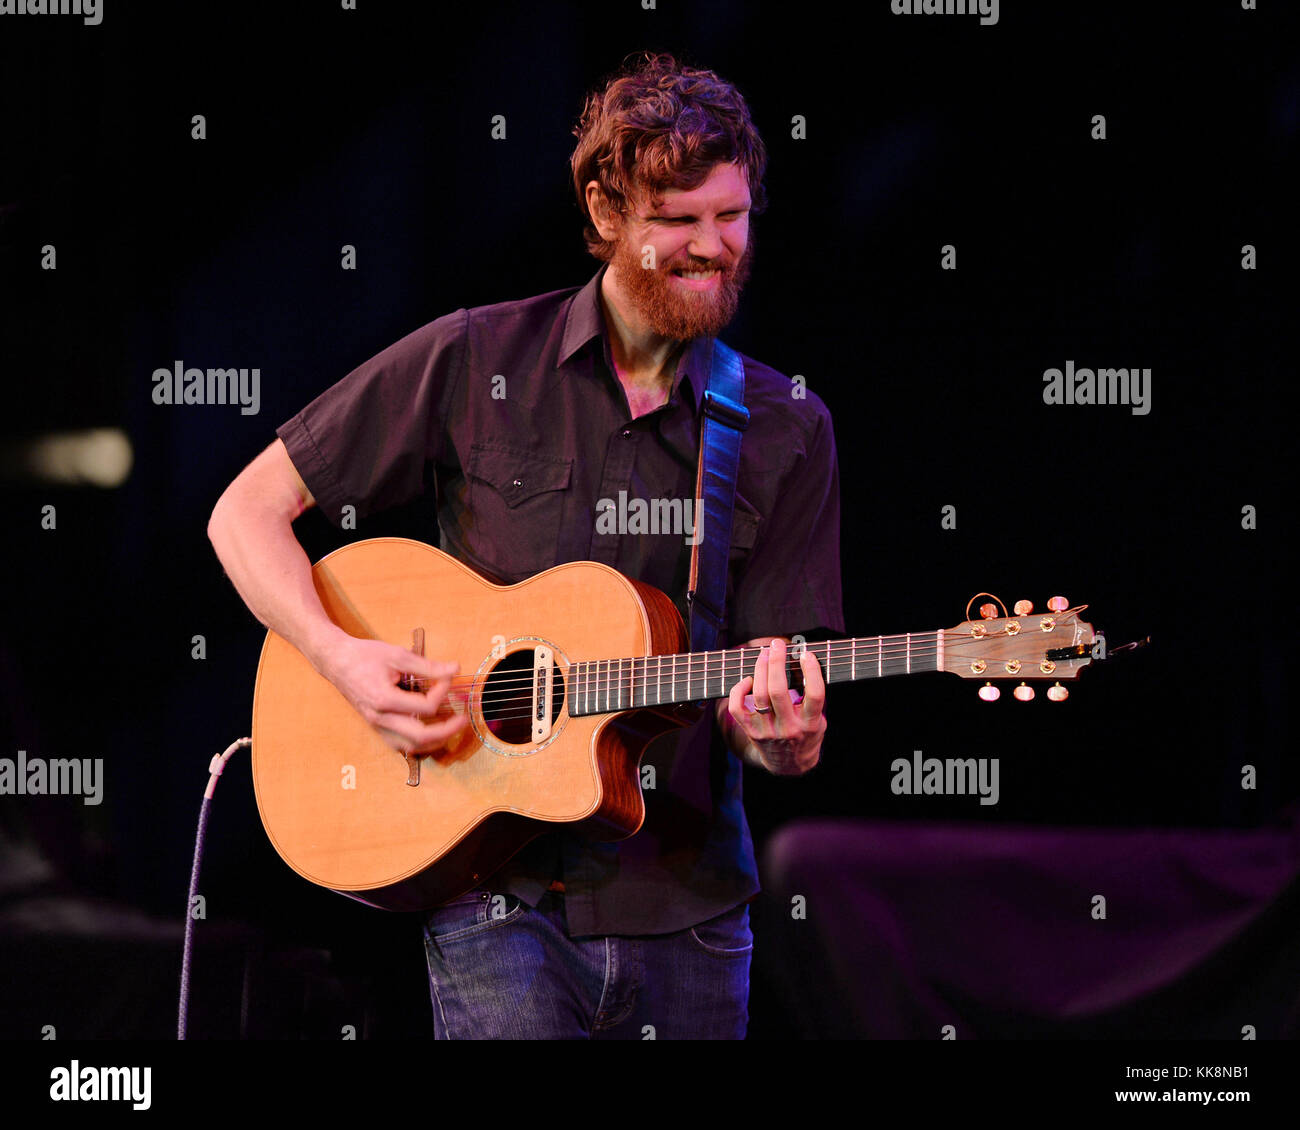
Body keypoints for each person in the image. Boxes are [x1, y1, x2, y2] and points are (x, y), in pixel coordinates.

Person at [207, 51, 843, 1039]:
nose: (713, 247)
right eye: (678, 221)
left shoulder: (782, 424)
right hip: (494, 896)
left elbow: (762, 696)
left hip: (692, 910)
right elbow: (242, 512)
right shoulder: (474, 357)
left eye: (731, 216)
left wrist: (783, 734)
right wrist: (345, 658)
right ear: (605, 213)